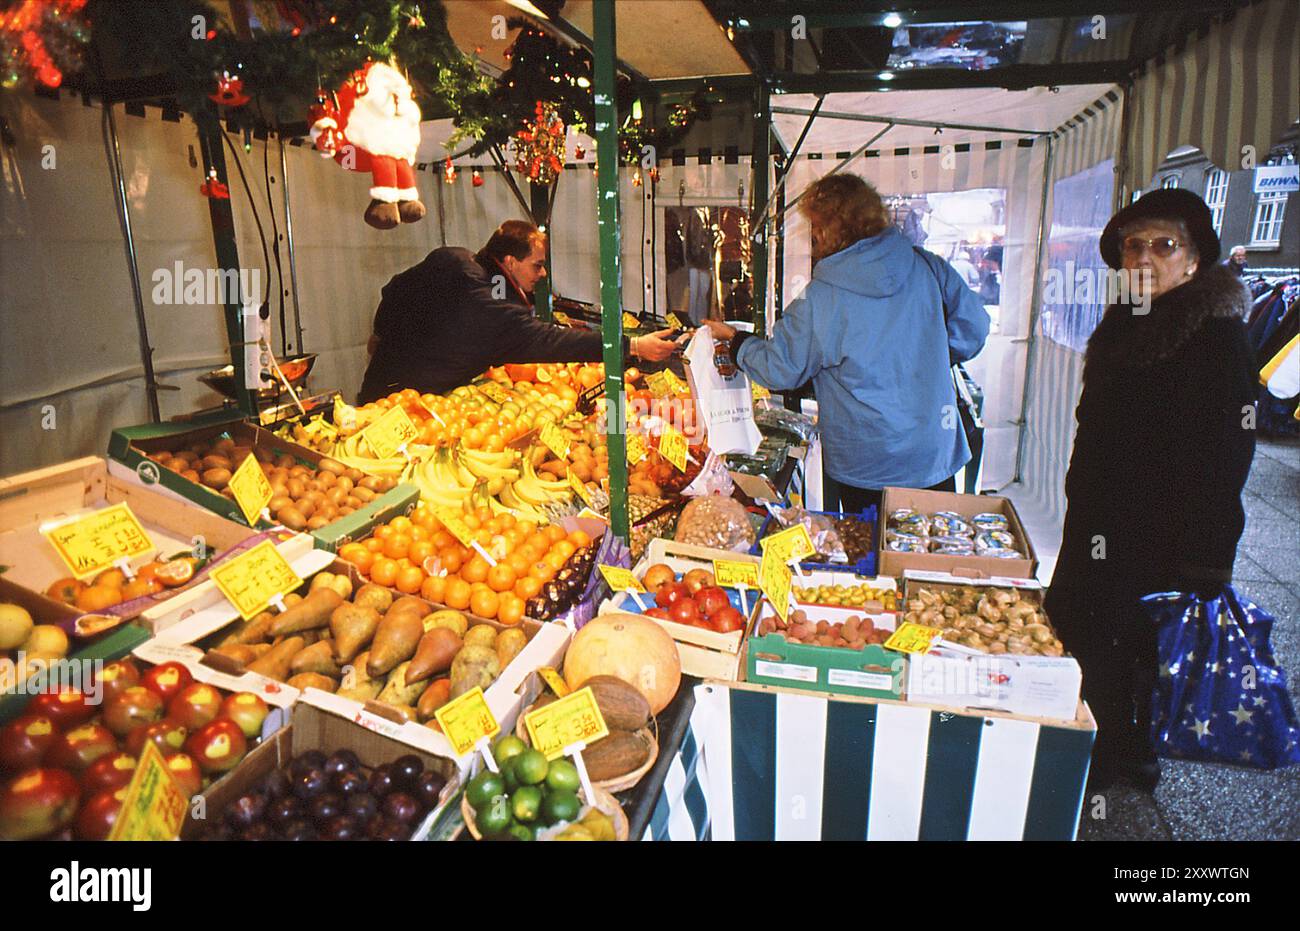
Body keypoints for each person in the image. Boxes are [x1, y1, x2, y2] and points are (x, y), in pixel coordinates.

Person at [1044, 189, 1256, 793]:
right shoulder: (1127, 321)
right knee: (1085, 635)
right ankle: (1104, 751)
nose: (1144, 257)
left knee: (1122, 653)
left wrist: (1206, 557)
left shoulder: (1215, 337)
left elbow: (1229, 454)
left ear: (1193, 260)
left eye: (1164, 245)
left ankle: (1108, 769)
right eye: (1133, 245)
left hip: (1161, 537)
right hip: (1100, 523)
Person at [705, 174, 990, 512]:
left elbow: (781, 368)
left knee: (866, 555)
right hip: (932, 451)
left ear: (828, 229)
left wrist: (738, 343)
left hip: (867, 461)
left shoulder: (823, 298)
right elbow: (974, 329)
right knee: (926, 553)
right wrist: (928, 354)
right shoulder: (928, 267)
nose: (812, 236)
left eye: (815, 226)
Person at [359, 220, 680, 402]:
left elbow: (394, 290)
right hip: (405, 403)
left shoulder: (453, 258)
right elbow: (552, 341)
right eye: (538, 266)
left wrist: (381, 333)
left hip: (383, 384)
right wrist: (634, 345)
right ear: (510, 262)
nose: (542, 275)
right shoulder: (493, 309)